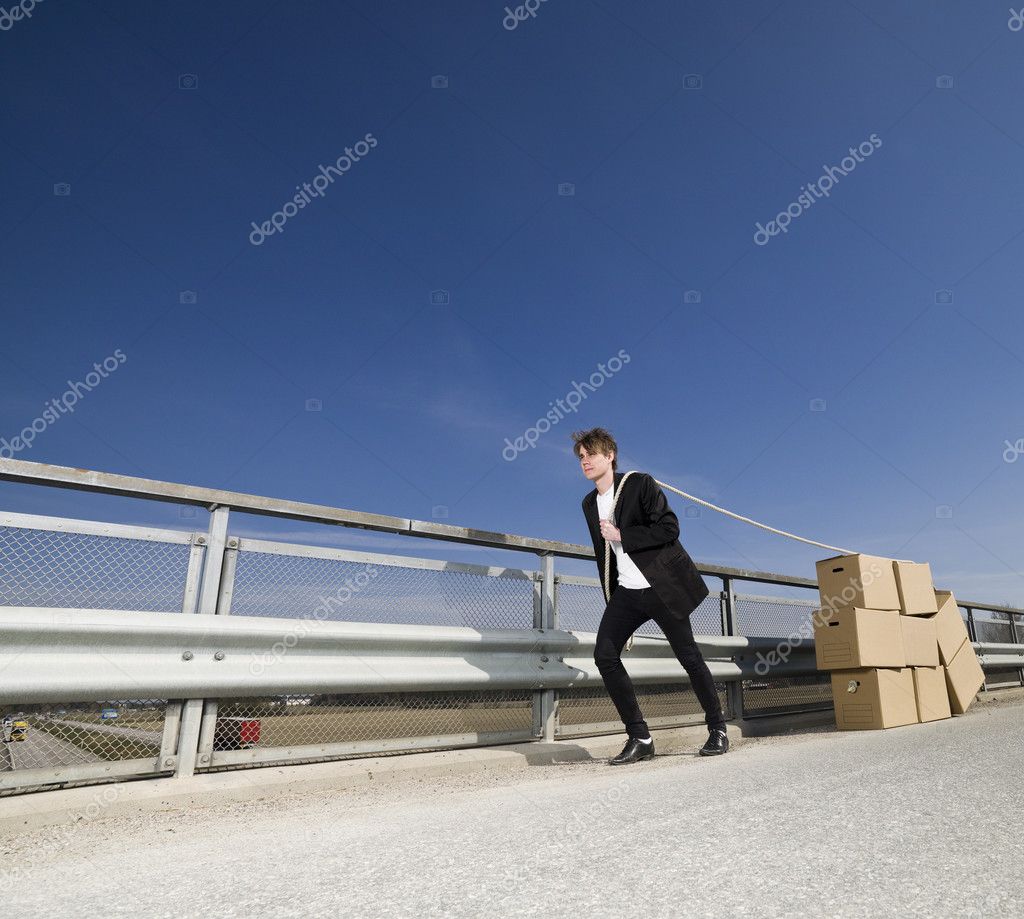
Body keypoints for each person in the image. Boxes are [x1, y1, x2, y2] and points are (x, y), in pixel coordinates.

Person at [573, 427, 729, 764]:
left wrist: (622, 535)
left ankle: (718, 729)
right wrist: (610, 590)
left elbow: (669, 528)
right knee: (605, 655)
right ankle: (640, 737)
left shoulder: (639, 484)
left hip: (661, 587)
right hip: (627, 592)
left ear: (610, 455)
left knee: (689, 657)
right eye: (581, 456)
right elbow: (604, 555)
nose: (585, 460)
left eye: (591, 454)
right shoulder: (589, 503)